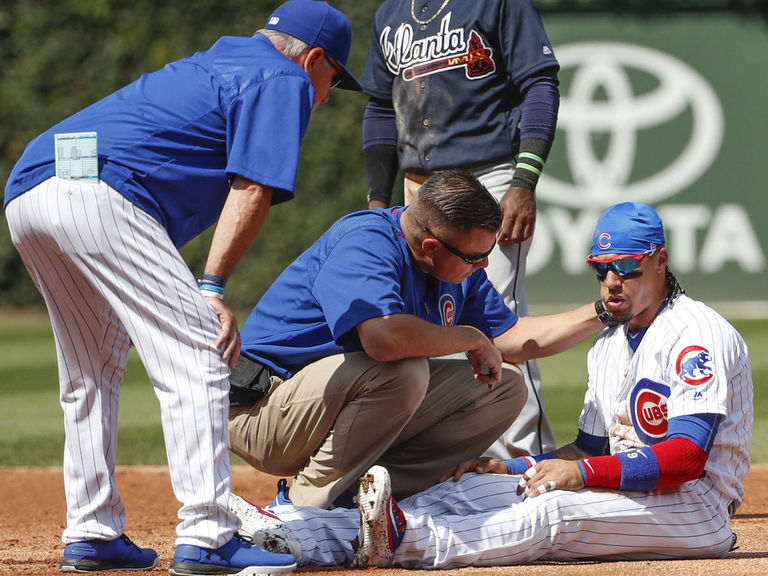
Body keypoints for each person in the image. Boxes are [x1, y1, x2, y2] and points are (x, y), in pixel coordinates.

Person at [2, 1, 361, 573]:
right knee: (200, 351)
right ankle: (210, 536)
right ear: (315, 59)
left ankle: (92, 532)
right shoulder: (284, 77)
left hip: (31, 187)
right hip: (100, 191)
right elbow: (252, 190)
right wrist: (212, 287)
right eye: (333, 81)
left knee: (91, 371)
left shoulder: (219, 59)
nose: (324, 96)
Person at [229, 202, 753, 568]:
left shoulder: (695, 334)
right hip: (624, 482)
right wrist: (515, 466)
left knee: (551, 510)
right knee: (475, 488)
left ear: (660, 261)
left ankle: (403, 541)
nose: (613, 280)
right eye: (601, 269)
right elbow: (589, 449)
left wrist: (579, 472)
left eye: (627, 267)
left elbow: (684, 460)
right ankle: (299, 533)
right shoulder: (609, 346)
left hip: (694, 505)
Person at [227, 169, 602, 511]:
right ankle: (302, 508)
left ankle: (362, 497)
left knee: (506, 387)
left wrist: (604, 311)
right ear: (430, 247)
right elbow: (384, 340)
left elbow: (513, 339)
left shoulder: (456, 265)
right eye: (476, 257)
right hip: (262, 408)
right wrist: (469, 337)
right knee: (404, 370)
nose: (484, 264)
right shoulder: (365, 242)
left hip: (325, 402)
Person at [360, 0, 562, 460]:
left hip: (487, 178)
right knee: (429, 326)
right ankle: (451, 459)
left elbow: (539, 83)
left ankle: (522, 457)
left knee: (493, 319)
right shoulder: (392, 11)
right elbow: (379, 106)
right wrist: (377, 202)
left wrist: (523, 180)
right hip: (418, 188)